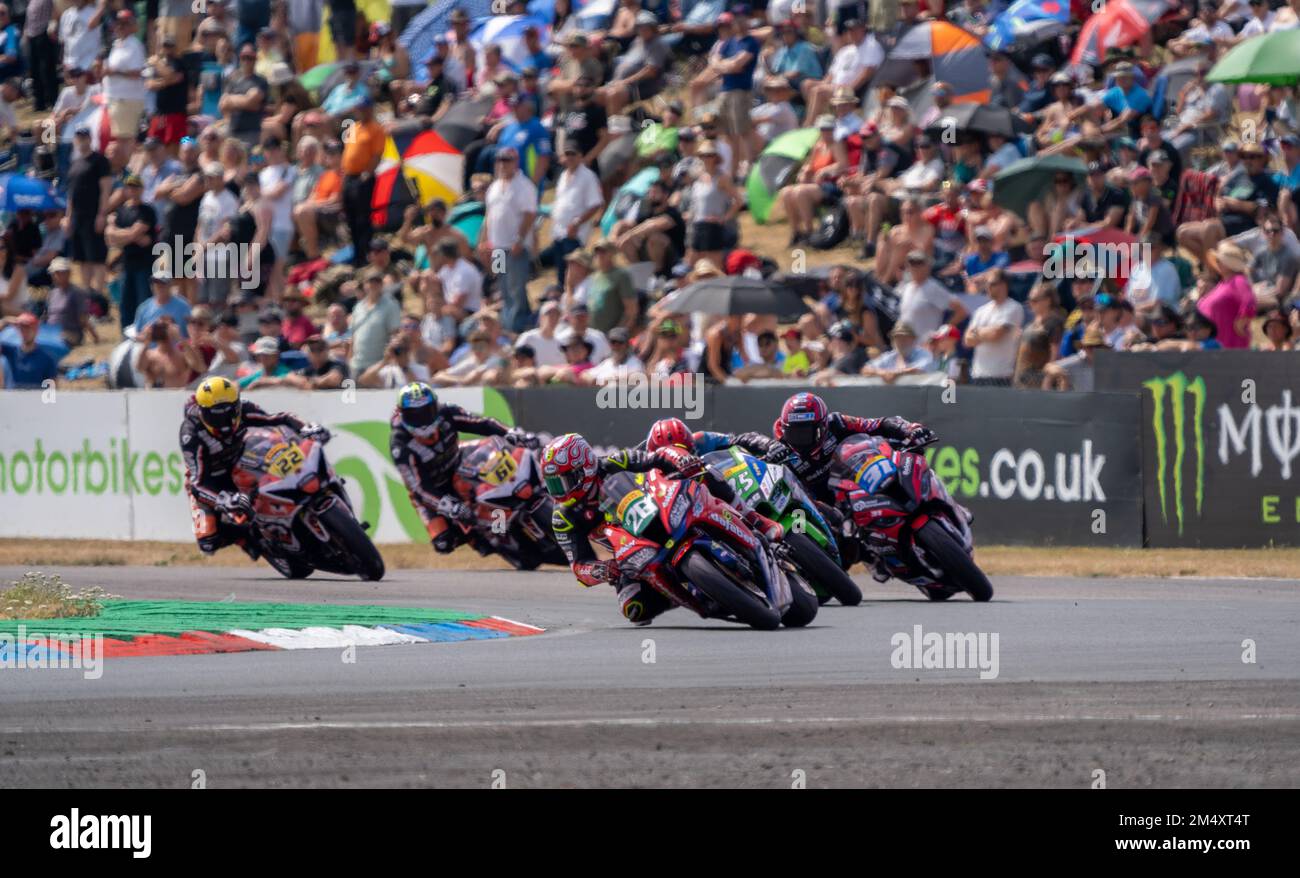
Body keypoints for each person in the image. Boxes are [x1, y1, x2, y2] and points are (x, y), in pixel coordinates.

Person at [540, 432, 776, 625]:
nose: (560, 491)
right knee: (634, 608)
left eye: (564, 481)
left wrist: (681, 461)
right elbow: (580, 567)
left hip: (662, 510)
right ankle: (687, 592)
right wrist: (606, 570)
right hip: (632, 549)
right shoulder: (563, 517)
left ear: (586, 467)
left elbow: (658, 456)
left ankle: (753, 518)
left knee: (704, 474)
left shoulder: (614, 463)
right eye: (553, 484)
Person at [180, 376, 328, 556]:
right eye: (215, 415)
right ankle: (244, 537)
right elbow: (197, 484)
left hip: (241, 460)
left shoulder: (244, 407)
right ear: (202, 412)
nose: (224, 420)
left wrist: (306, 428)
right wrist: (223, 499)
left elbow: (280, 418)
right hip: (210, 478)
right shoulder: (191, 433)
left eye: (229, 412)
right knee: (208, 541)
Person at [390, 382, 536, 556]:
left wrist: (512, 432)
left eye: (426, 412)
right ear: (401, 414)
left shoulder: (447, 413)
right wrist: (450, 507)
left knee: (501, 474)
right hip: (432, 492)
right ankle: (479, 535)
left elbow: (483, 423)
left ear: (435, 407)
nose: (422, 420)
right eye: (414, 415)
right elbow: (419, 489)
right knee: (443, 543)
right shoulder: (400, 443)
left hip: (461, 467)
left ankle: (513, 511)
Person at [735, 392, 934, 506]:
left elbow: (879, 424)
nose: (801, 440)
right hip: (826, 506)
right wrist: (769, 448)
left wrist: (911, 429)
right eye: (795, 434)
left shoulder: (838, 423)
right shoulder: (780, 448)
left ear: (823, 426)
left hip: (861, 482)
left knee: (909, 457)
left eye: (808, 433)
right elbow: (744, 439)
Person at [0, 313, 59, 389]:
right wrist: (5, 321)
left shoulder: (47, 359)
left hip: (34, 399)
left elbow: (53, 388)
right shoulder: (10, 352)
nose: (24, 332)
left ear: (36, 331)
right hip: (12, 398)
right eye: (21, 328)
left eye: (28, 328)